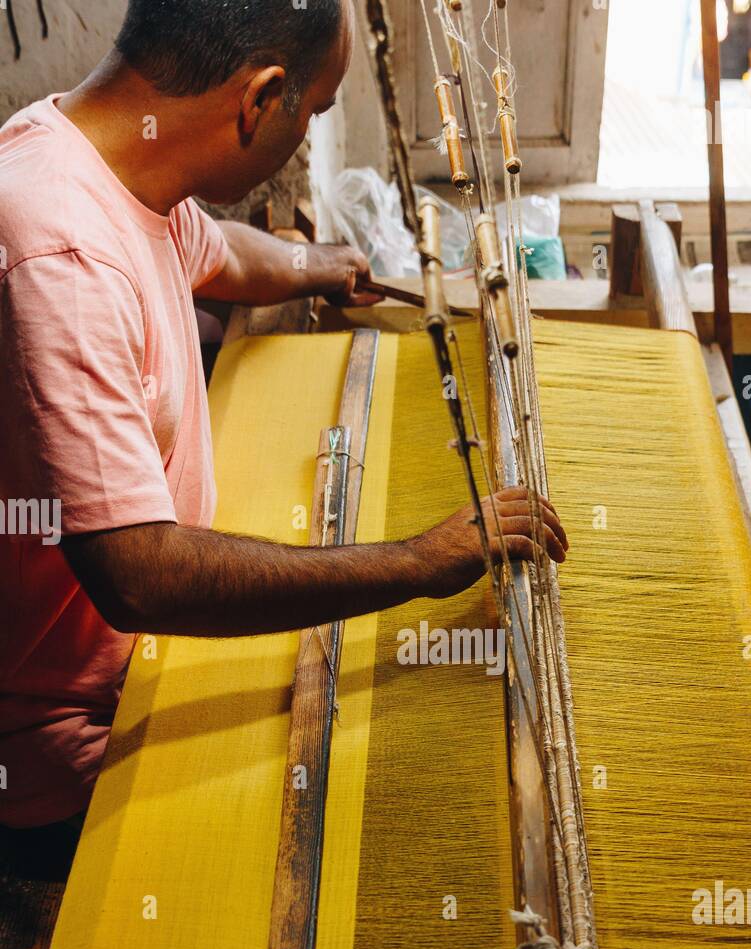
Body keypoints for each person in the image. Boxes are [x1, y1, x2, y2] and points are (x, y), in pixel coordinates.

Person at [0, 0, 567, 833]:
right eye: (313, 111)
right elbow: (141, 578)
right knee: (406, 812)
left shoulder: (89, 153)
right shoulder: (62, 259)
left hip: (150, 657)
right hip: (74, 733)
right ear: (260, 100)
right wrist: (421, 559)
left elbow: (218, 251)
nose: (306, 130)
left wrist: (318, 265)